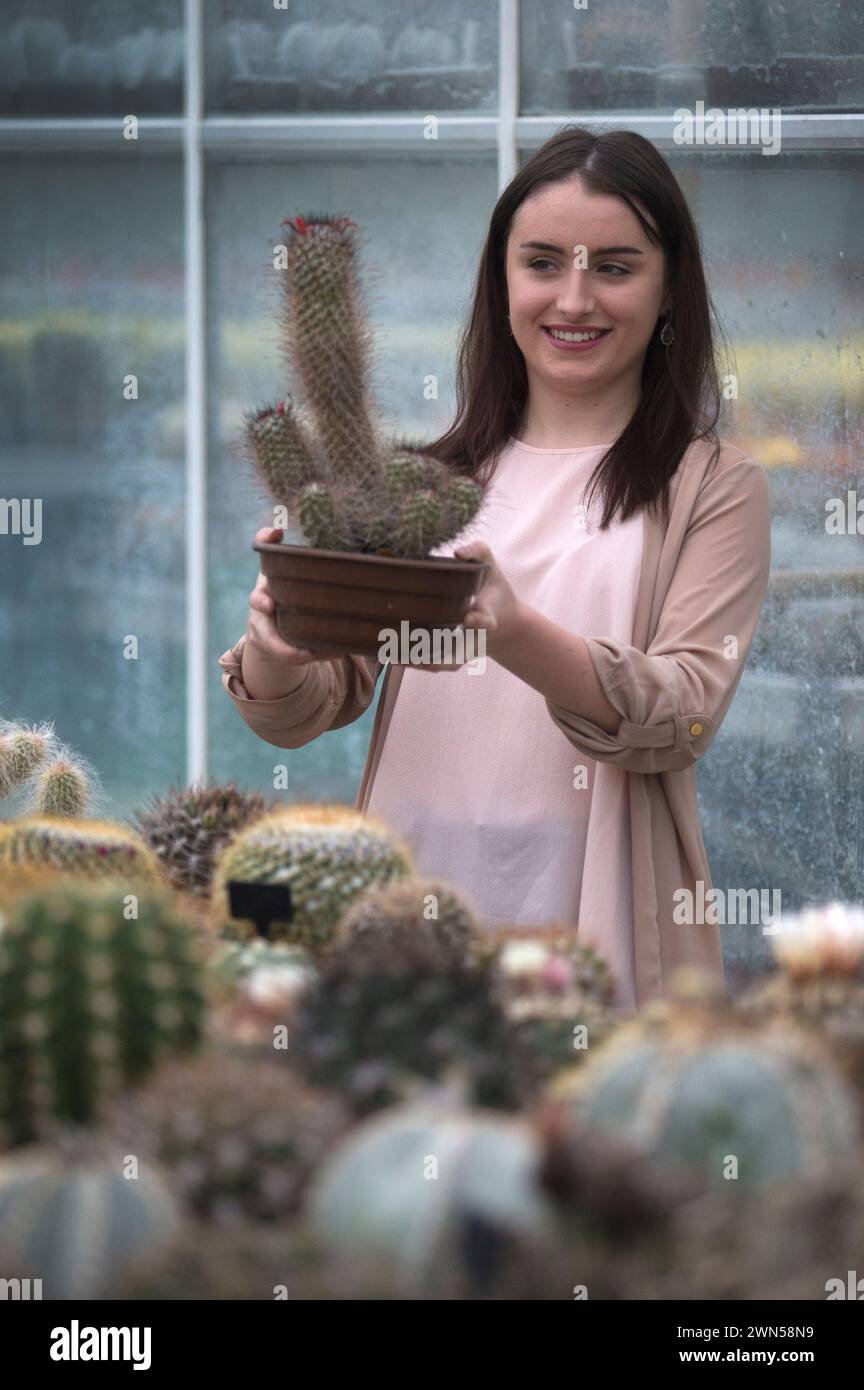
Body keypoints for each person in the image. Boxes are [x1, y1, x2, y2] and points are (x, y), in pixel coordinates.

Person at [219, 125, 771, 1008]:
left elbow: (686, 713)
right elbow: (312, 707)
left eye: (616, 267)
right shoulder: (425, 484)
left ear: (670, 291)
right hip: (409, 897)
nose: (575, 298)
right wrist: (276, 656)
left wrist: (514, 633)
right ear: (503, 280)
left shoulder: (714, 486)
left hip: (594, 903)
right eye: (543, 263)